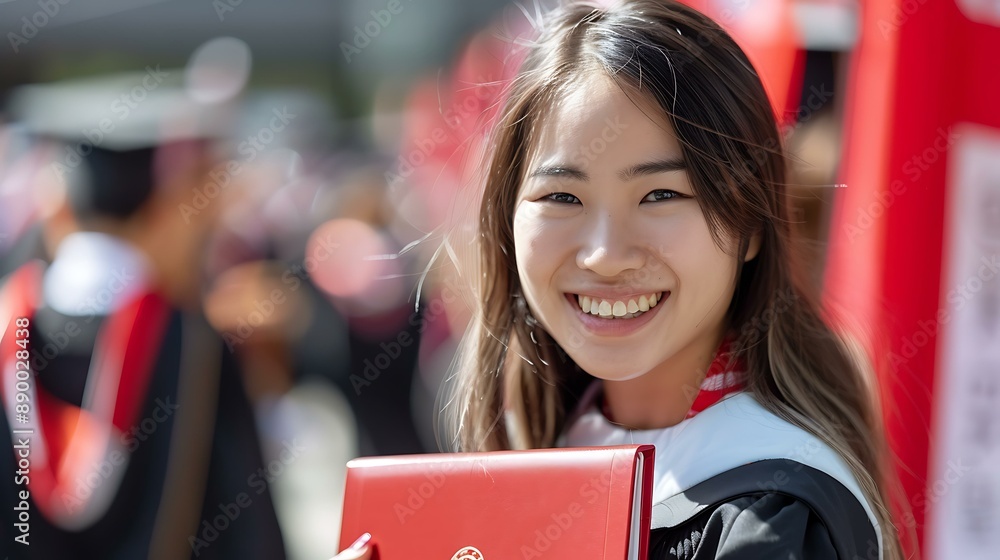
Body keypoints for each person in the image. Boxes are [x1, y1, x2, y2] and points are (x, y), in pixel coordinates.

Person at [332, 1, 908, 558]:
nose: (606, 255)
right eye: (562, 196)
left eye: (661, 194)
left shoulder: (774, 514)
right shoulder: (531, 463)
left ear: (751, 223)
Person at [0, 73, 286, 559]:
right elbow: (247, 521)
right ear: (161, 205)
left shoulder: (10, 325)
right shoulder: (192, 340)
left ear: (62, 206)